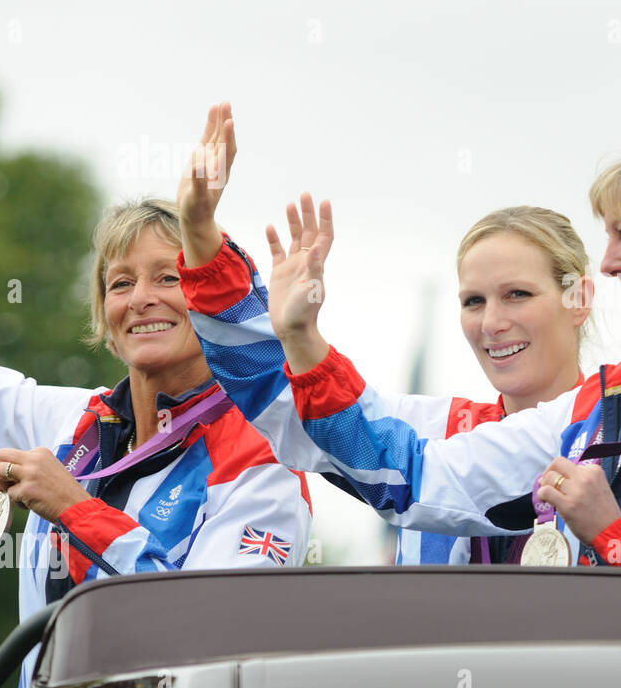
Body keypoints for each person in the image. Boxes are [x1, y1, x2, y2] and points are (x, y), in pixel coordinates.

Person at [181, 133, 621, 570]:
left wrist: (615, 538)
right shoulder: (602, 404)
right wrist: (290, 330)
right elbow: (395, 466)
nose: (608, 261)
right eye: (473, 301)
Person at [0, 109, 312, 688]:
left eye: (170, 278)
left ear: (210, 300)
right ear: (105, 313)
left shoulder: (264, 461)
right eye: (121, 283)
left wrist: (77, 511)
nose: (142, 298)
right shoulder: (71, 423)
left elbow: (208, 635)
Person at [177, 136, 594, 563]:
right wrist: (202, 243)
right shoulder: (439, 431)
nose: (490, 323)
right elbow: (294, 408)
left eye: (518, 294)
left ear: (579, 298)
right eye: (474, 301)